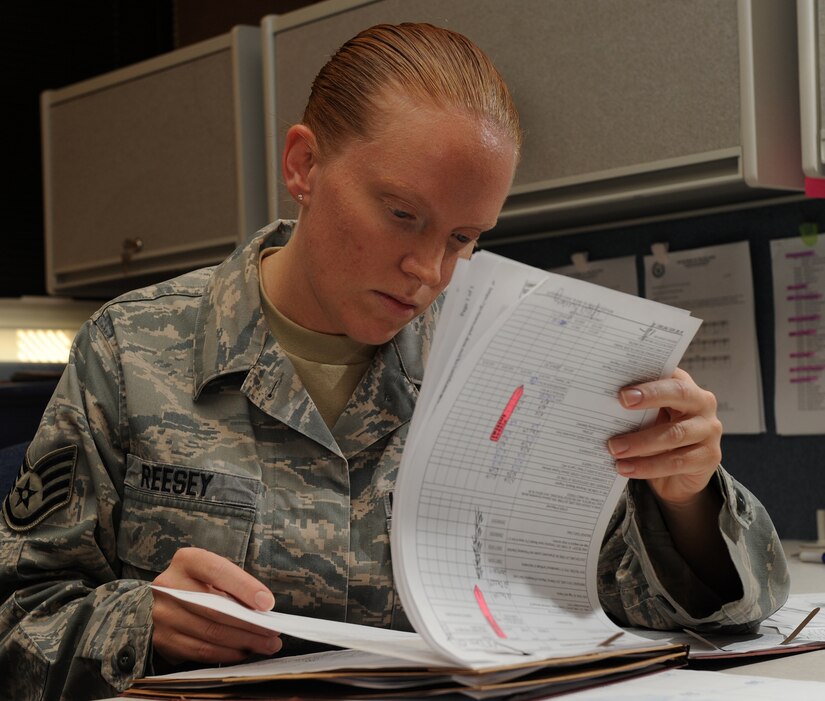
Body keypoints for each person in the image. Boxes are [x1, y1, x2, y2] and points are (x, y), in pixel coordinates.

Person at [0, 22, 787, 701]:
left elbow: (638, 609)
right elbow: (17, 622)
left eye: (461, 237)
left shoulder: (504, 362)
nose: (430, 272)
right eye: (402, 214)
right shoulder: (133, 348)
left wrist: (685, 498)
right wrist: (139, 622)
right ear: (303, 165)